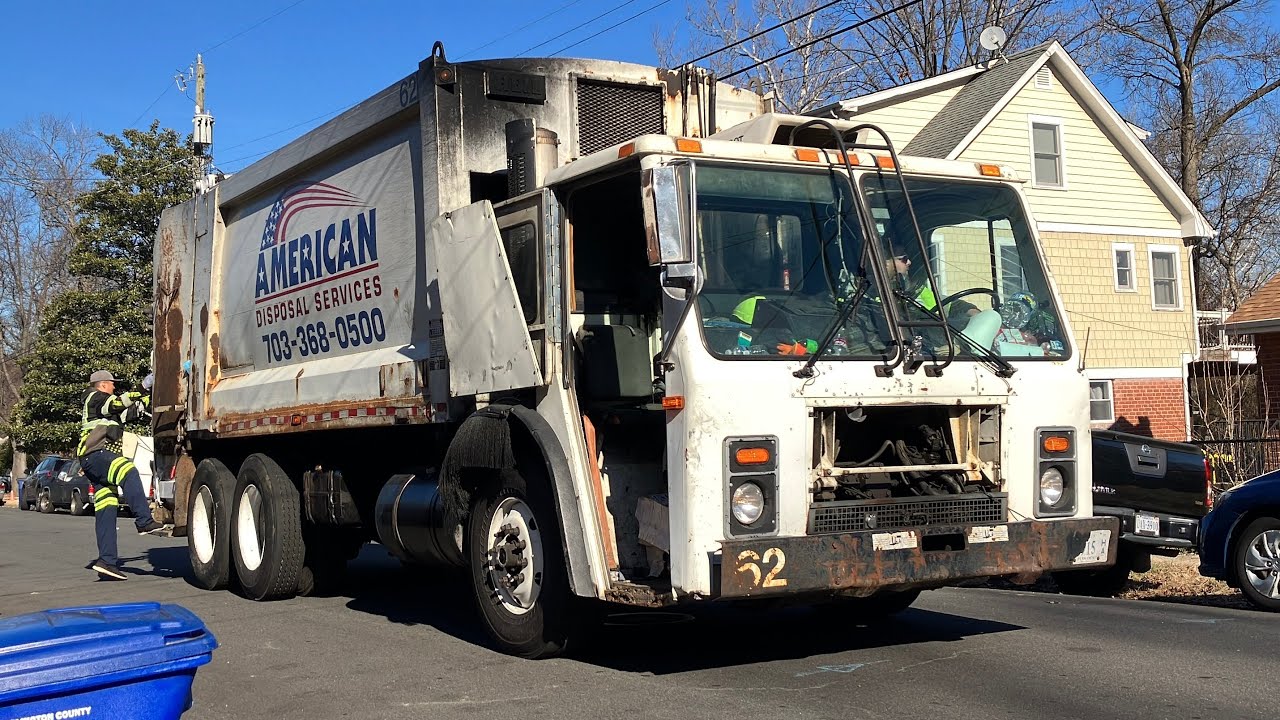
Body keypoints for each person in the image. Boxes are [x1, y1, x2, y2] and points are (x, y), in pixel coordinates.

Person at [80, 370, 166, 580]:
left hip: (96, 459)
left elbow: (131, 411)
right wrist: (141, 387)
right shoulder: (94, 397)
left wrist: (148, 396)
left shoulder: (107, 410)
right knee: (128, 471)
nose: (114, 388)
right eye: (112, 384)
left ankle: (106, 562)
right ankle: (143, 521)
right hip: (96, 455)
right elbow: (117, 403)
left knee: (106, 511)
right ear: (102, 385)